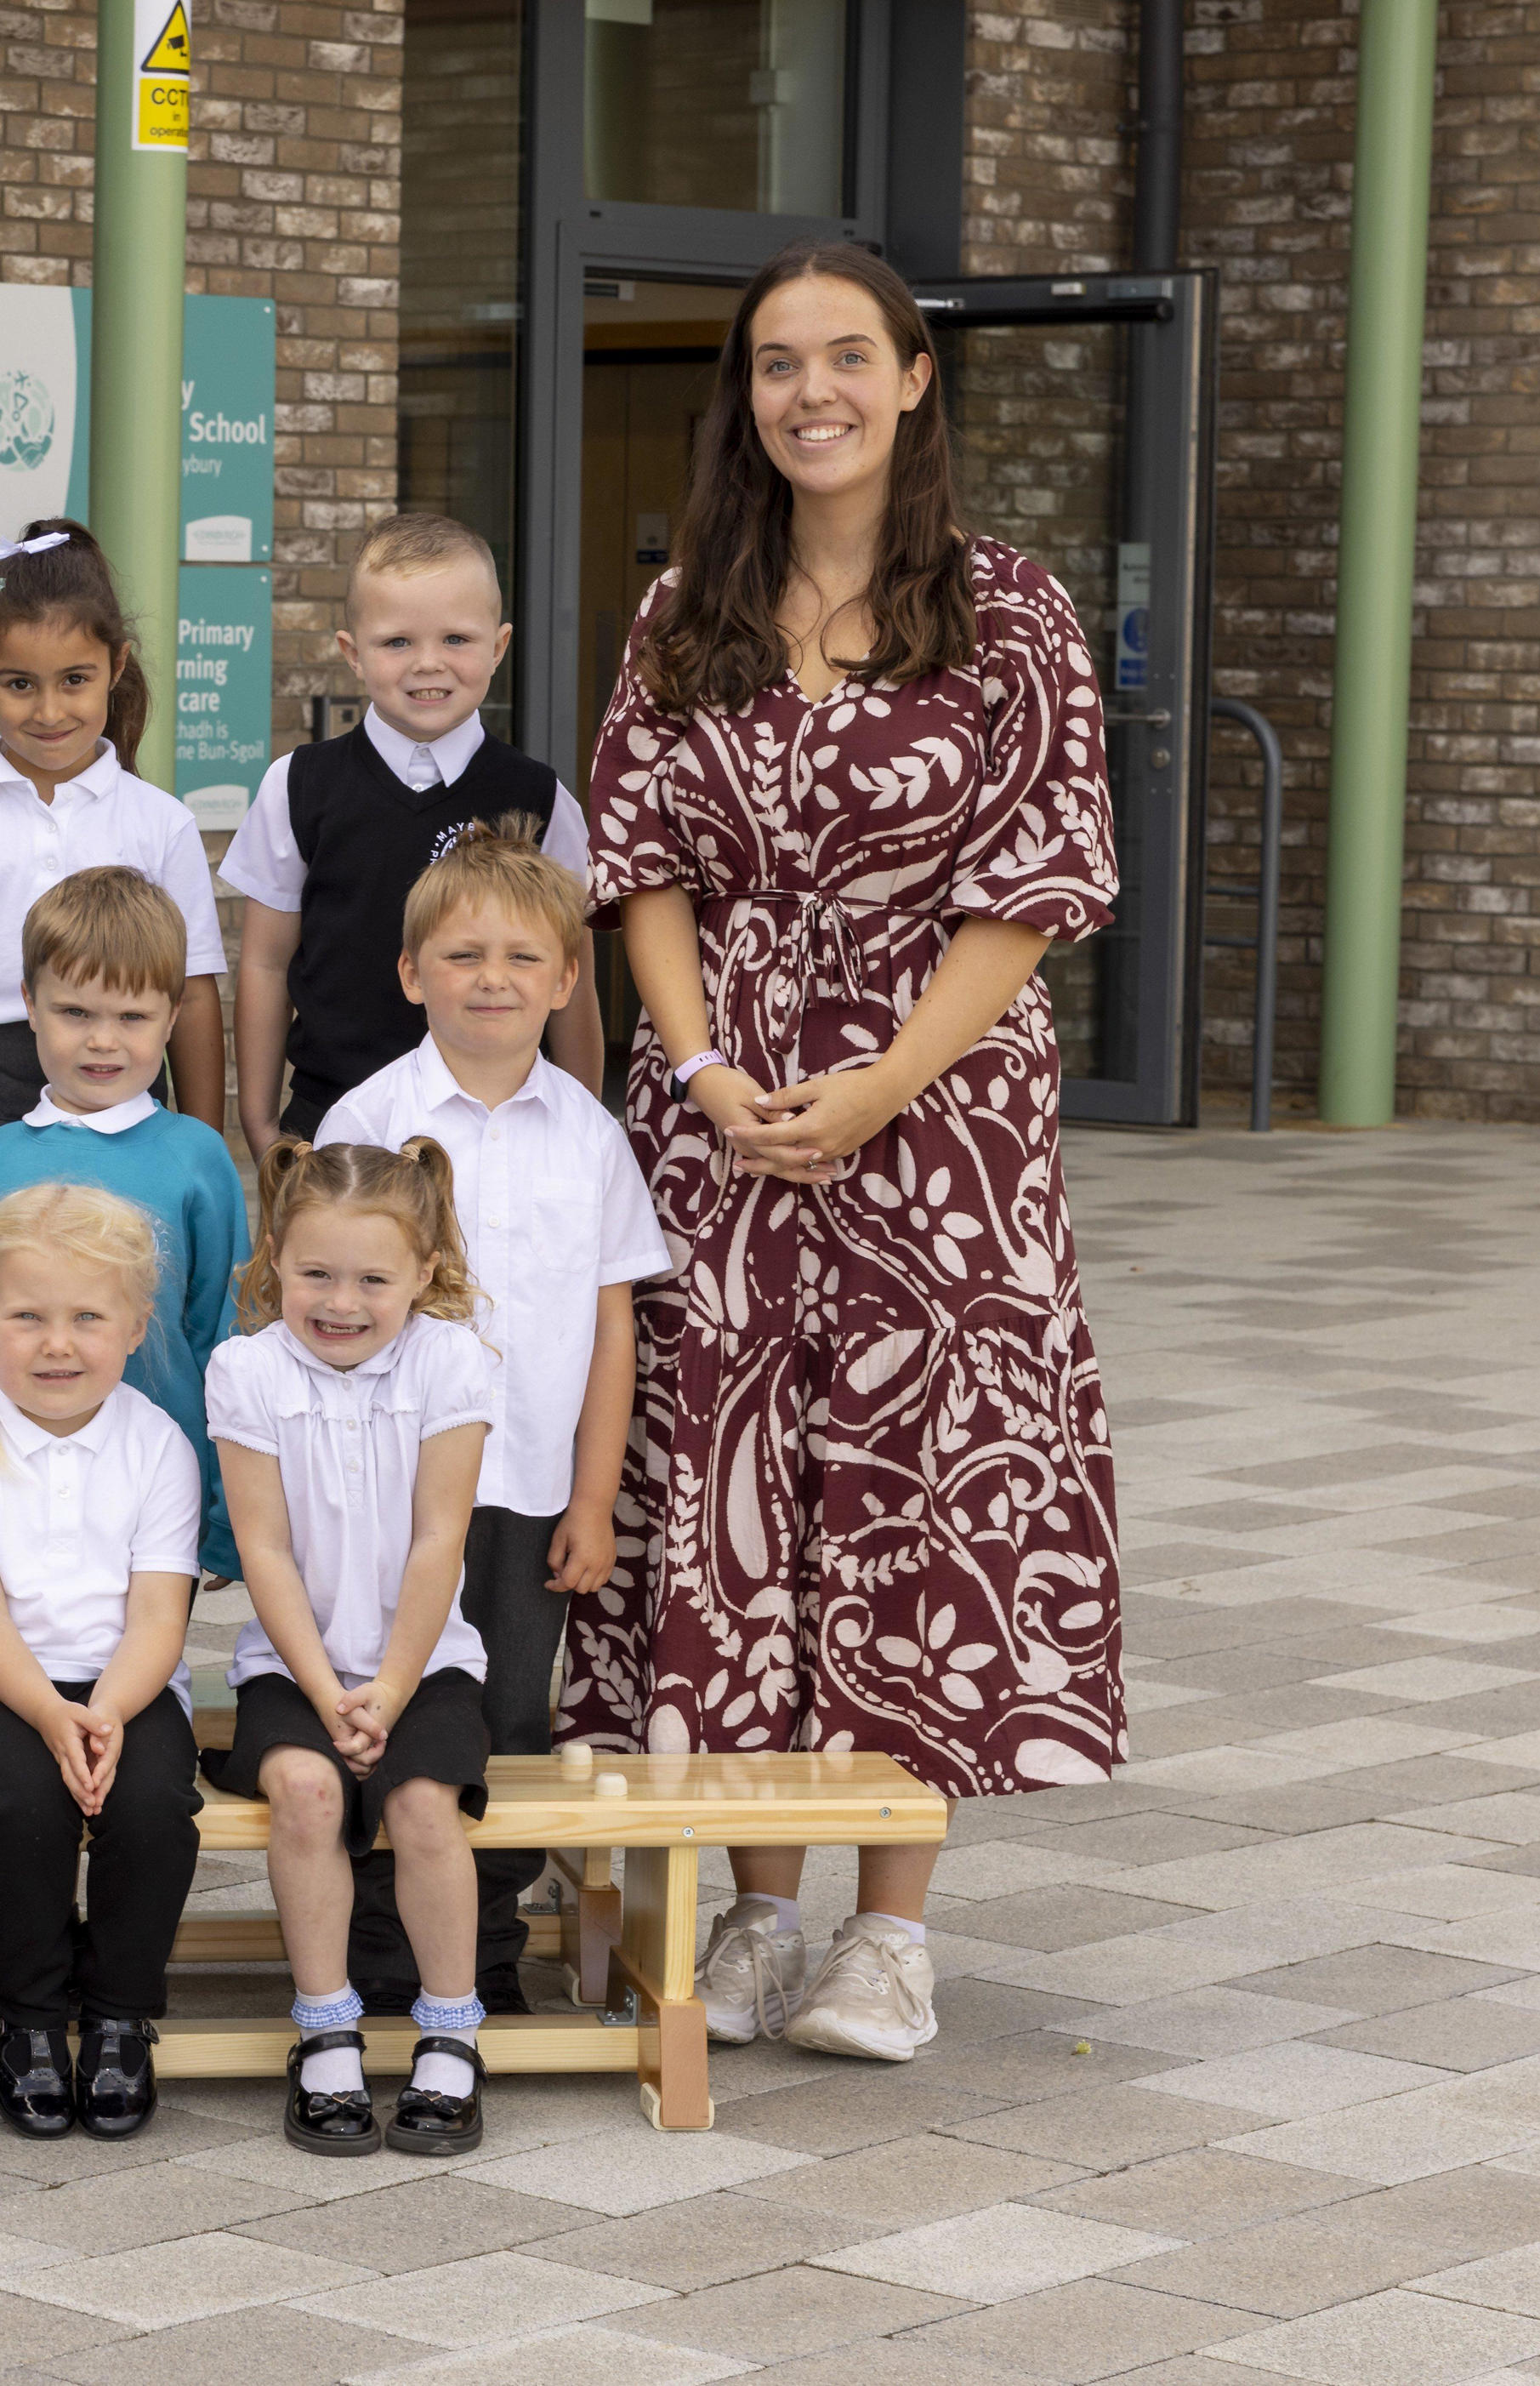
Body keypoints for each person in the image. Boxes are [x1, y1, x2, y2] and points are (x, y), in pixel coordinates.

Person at [567, 241, 1125, 2064]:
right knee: (725, 1489)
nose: (805, 391)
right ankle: (749, 1908)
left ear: (908, 382)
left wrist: (881, 1081)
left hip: (938, 1124)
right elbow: (638, 865)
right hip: (718, 1119)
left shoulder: (1013, 612)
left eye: (841, 359)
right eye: (771, 364)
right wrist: (703, 1061)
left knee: (908, 1494)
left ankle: (888, 1936)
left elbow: (1032, 884)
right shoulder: (678, 613)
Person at [317, 817, 664, 2013]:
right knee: (389, 1695)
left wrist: (594, 1495)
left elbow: (611, 1323)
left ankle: (490, 1947)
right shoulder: (367, 1123)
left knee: (511, 1717)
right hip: (391, 1492)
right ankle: (376, 1946)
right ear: (413, 973)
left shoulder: (591, 1136)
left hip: (524, 1492)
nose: (492, 981)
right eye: (463, 957)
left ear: (567, 979)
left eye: (523, 960)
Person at [208, 1140, 501, 2159]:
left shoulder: (451, 1361)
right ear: (275, 1262)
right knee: (305, 1793)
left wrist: (385, 1685)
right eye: (314, 1274)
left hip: (423, 1660)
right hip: (293, 1664)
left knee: (422, 1806)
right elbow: (264, 1547)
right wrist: (328, 1690)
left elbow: (438, 1537)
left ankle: (449, 2031)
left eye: (373, 1279)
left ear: (423, 1272)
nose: (341, 1301)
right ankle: (325, 2024)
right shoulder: (244, 1370)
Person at [0, 1182, 203, 2143]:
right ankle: (27, 2017)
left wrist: (108, 1713)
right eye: (25, 1317)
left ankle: (119, 2014)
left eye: (87, 1317)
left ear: (133, 1326)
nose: (56, 1344)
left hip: (130, 1679)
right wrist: (48, 1713)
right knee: (26, 1803)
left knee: (151, 1802)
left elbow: (160, 1613)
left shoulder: (158, 1445)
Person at [223, 513, 600, 1151]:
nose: (428, 664)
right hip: (330, 1128)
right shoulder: (296, 786)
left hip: (498, 1129)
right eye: (397, 641)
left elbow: (575, 974)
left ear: (498, 646)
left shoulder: (541, 799)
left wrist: (583, 1123)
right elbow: (263, 962)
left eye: (456, 638)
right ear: (351, 651)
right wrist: (261, 1124)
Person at [0, 517, 229, 1210]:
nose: (48, 710)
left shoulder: (161, 823)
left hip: (124, 1090)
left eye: (75, 680)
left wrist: (202, 1147)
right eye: (18, 684)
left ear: (117, 666)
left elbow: (191, 1000)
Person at [0, 867, 245, 1579]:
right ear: (28, 1005)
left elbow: (225, 1338)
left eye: (131, 1017)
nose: (103, 1041)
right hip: (2, 1495)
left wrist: (223, 1514)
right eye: (75, 1012)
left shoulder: (197, 1160)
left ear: (171, 1016)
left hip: (157, 1502)